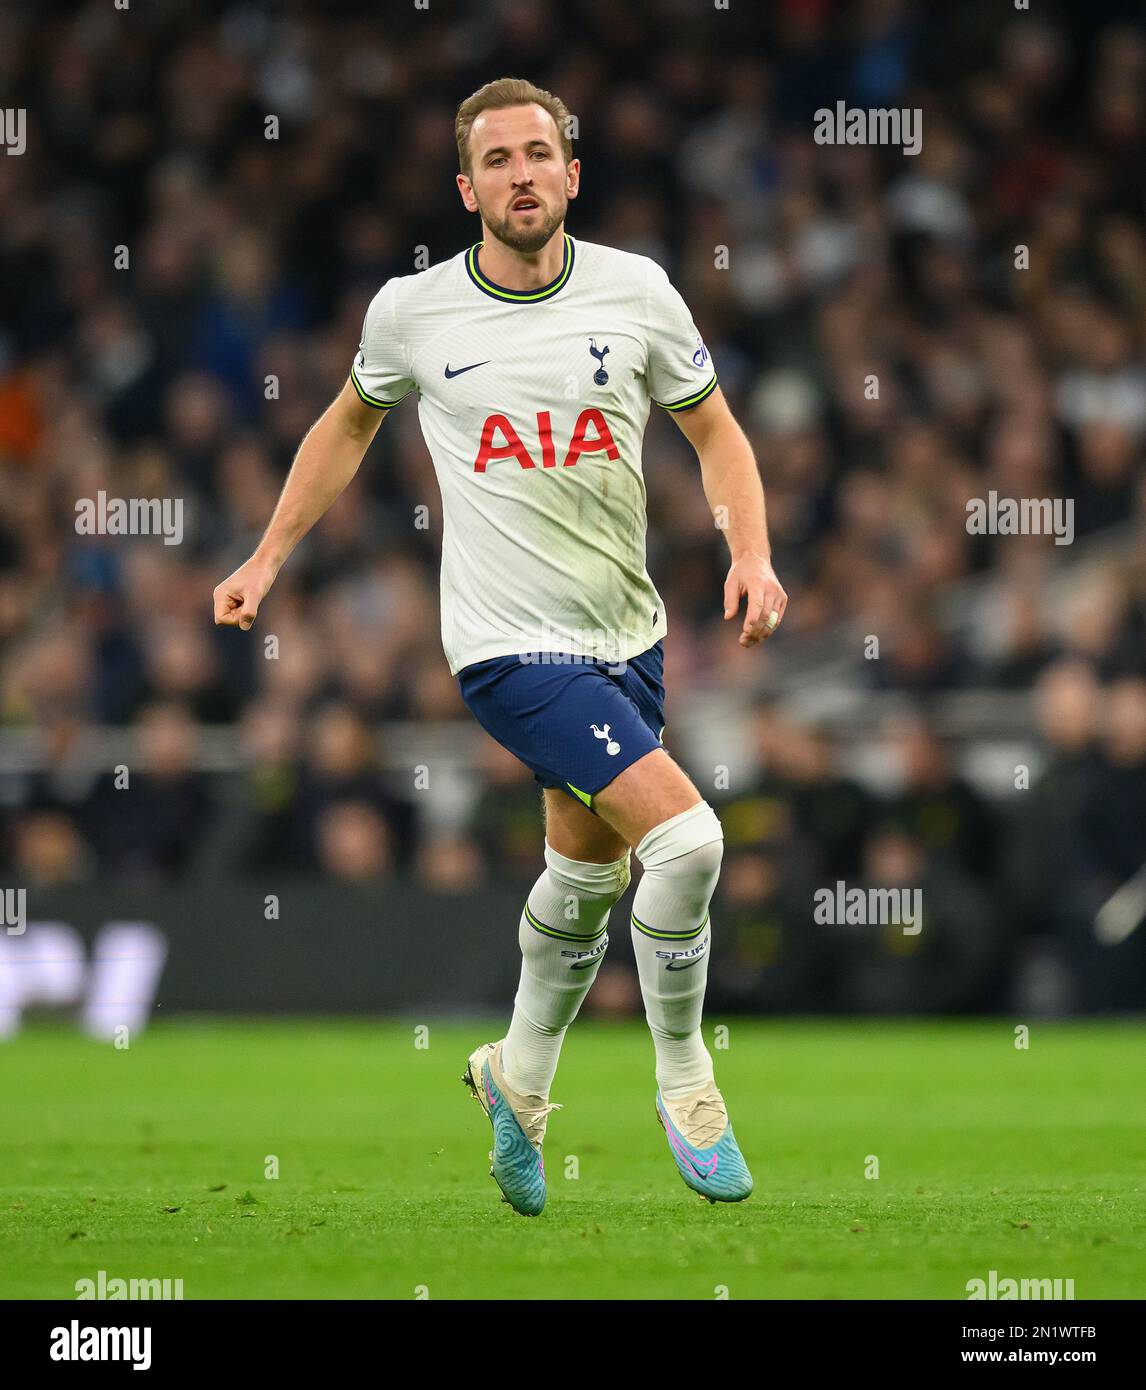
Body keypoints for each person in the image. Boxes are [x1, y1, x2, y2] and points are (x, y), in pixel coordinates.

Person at [213, 78, 787, 1215]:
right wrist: (267, 555)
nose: (522, 174)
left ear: (572, 175)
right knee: (690, 844)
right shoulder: (413, 311)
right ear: (466, 186)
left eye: (540, 154)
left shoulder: (639, 293)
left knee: (584, 877)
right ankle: (687, 1079)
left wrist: (751, 552)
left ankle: (515, 1083)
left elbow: (717, 432)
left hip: (627, 633)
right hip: (506, 647)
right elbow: (346, 423)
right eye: (499, 159)